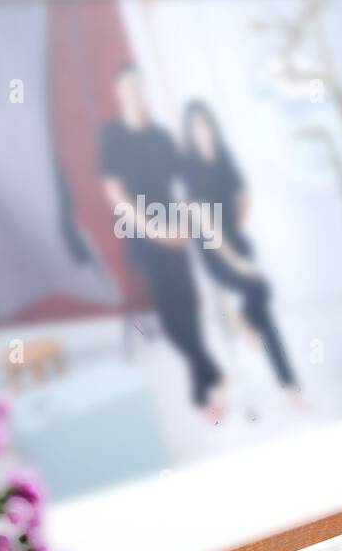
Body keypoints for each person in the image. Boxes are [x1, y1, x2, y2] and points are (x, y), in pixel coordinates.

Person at [99, 65, 227, 422]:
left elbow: (187, 179)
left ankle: (202, 391)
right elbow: (114, 193)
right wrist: (151, 230)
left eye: (140, 88)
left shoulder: (161, 137)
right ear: (119, 93)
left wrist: (202, 145)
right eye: (129, 89)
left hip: (176, 230)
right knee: (171, 321)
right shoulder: (112, 136)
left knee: (188, 309)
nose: (136, 95)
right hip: (144, 234)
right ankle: (213, 373)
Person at [179, 100, 300, 403]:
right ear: (189, 133)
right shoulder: (190, 171)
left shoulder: (224, 158)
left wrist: (237, 231)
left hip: (234, 240)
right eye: (196, 126)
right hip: (213, 251)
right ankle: (289, 385)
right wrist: (237, 262)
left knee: (259, 297)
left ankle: (246, 317)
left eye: (206, 123)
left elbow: (243, 195)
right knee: (260, 288)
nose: (203, 131)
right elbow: (208, 230)